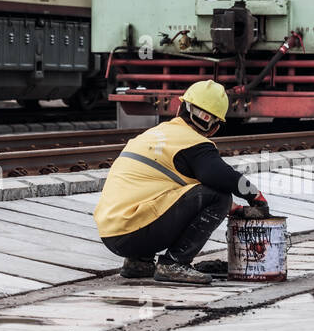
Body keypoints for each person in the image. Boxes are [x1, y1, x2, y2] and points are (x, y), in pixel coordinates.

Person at [93, 80, 271, 284]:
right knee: (220, 197)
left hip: (111, 232)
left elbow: (180, 194)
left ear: (179, 108)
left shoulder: (155, 134)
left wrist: (237, 210)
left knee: (157, 193)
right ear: (214, 128)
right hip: (135, 230)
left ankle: (138, 263)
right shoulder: (195, 143)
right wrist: (254, 195)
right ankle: (174, 263)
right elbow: (220, 177)